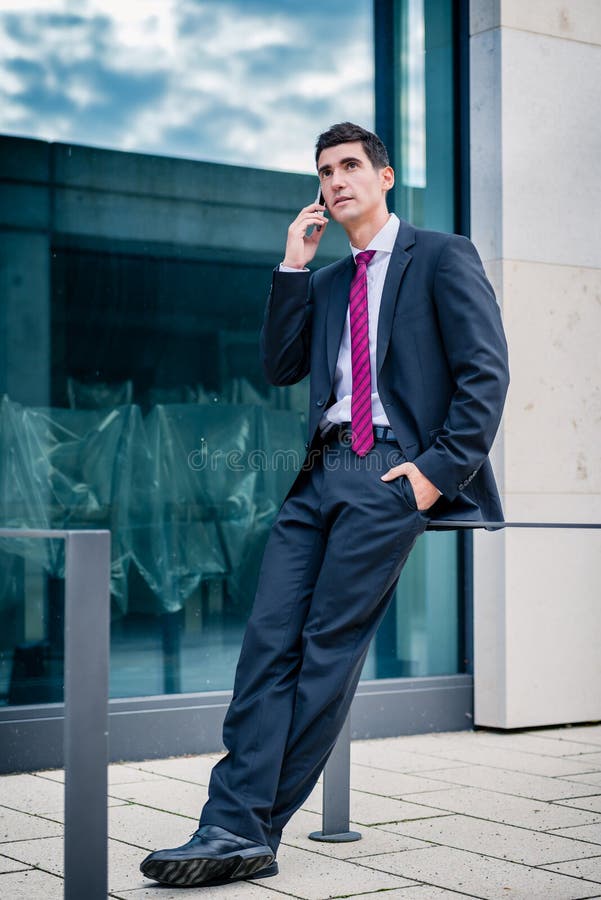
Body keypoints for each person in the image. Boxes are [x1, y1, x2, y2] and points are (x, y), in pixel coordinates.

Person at [140, 122, 509, 888]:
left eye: (348, 166)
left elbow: (485, 373)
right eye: (324, 171)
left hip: (389, 469)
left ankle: (244, 826)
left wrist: (431, 475)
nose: (335, 181)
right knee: (266, 643)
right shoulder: (329, 280)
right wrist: (292, 267)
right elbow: (280, 367)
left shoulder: (441, 256)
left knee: (324, 650)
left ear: (384, 176)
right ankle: (231, 822)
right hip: (318, 471)